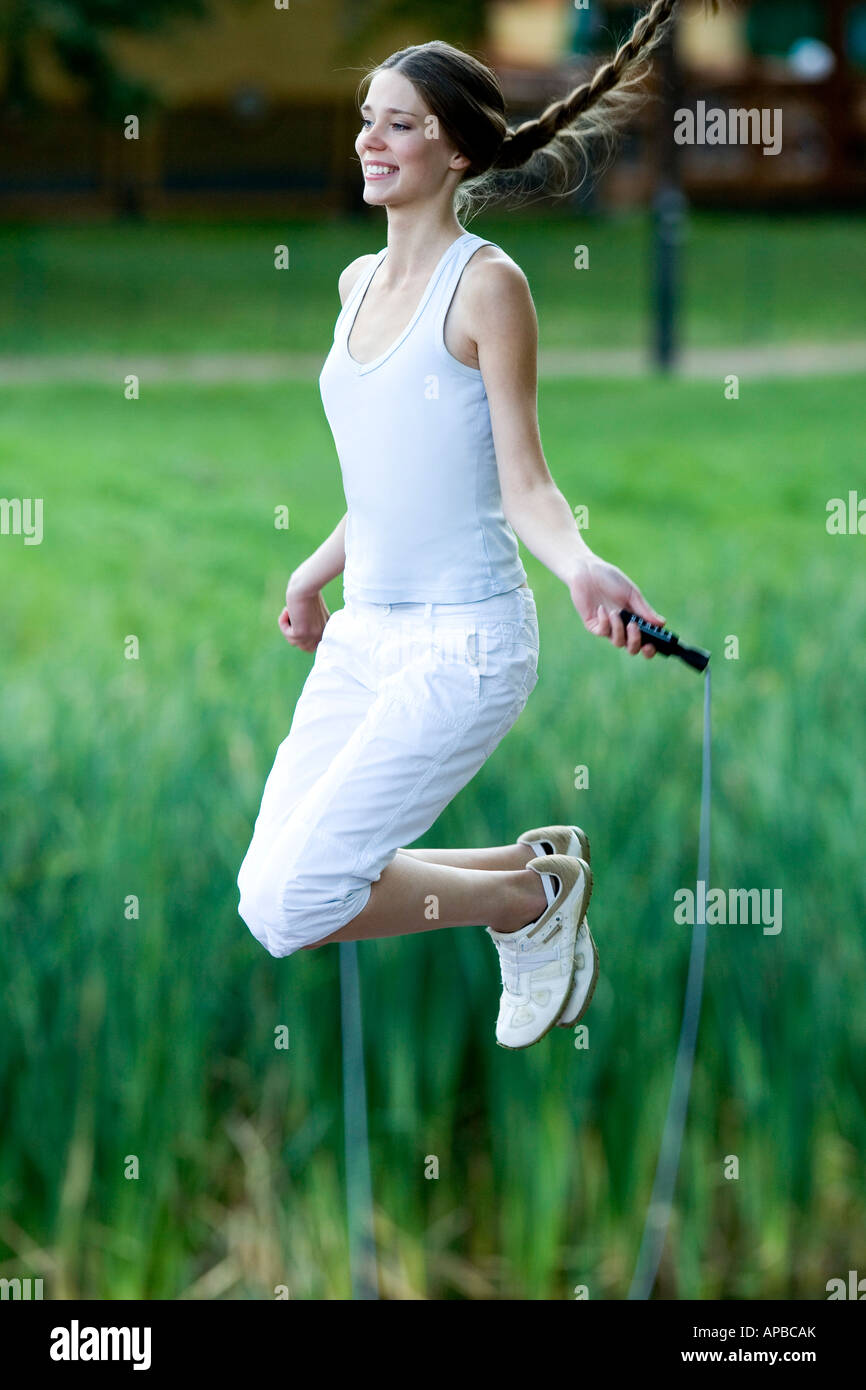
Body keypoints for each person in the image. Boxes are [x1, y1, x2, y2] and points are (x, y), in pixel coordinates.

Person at [238, 3, 679, 1050]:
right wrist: (310, 575)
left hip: (463, 644)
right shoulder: (352, 286)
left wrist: (580, 568)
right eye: (364, 120)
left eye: (396, 124)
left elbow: (519, 481)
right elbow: (392, 478)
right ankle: (539, 877)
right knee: (271, 903)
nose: (369, 141)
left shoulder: (487, 287)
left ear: (452, 146)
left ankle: (523, 903)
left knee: (309, 896)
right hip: (364, 637)